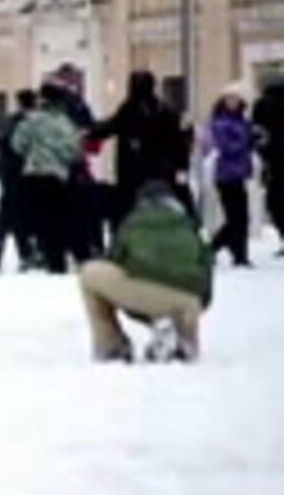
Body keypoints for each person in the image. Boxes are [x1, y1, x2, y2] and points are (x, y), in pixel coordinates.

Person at [78, 181, 212, 363]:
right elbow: (207, 274)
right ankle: (183, 338)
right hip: (190, 303)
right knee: (178, 301)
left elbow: (114, 259)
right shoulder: (191, 228)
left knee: (90, 274)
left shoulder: (133, 222)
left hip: (147, 296)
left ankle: (112, 345)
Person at [91, 70, 192, 224]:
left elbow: (108, 127)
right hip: (161, 174)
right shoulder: (165, 111)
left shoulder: (129, 110)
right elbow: (179, 143)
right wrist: (180, 167)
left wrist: (86, 131)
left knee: (128, 217)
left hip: (132, 176)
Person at [12, 84, 84, 274]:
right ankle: (56, 261)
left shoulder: (31, 121)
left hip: (33, 176)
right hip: (57, 178)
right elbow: (76, 152)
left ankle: (33, 251)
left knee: (29, 219)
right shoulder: (66, 124)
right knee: (56, 223)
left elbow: (17, 145)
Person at [205, 84, 256, 268]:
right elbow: (227, 147)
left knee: (241, 218)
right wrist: (246, 140)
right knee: (236, 218)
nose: (233, 103)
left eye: (235, 99)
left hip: (239, 173)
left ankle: (240, 254)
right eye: (229, 99)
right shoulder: (220, 123)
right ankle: (213, 248)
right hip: (226, 175)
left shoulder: (242, 121)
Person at [0, 89, 38, 273]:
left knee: (7, 217)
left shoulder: (14, 122)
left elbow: (5, 143)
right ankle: (25, 253)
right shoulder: (37, 122)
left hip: (11, 174)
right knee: (22, 217)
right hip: (30, 175)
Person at [255, 78, 284, 255]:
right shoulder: (263, 106)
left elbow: (258, 132)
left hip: (272, 161)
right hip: (274, 160)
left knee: (275, 203)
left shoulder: (262, 105)